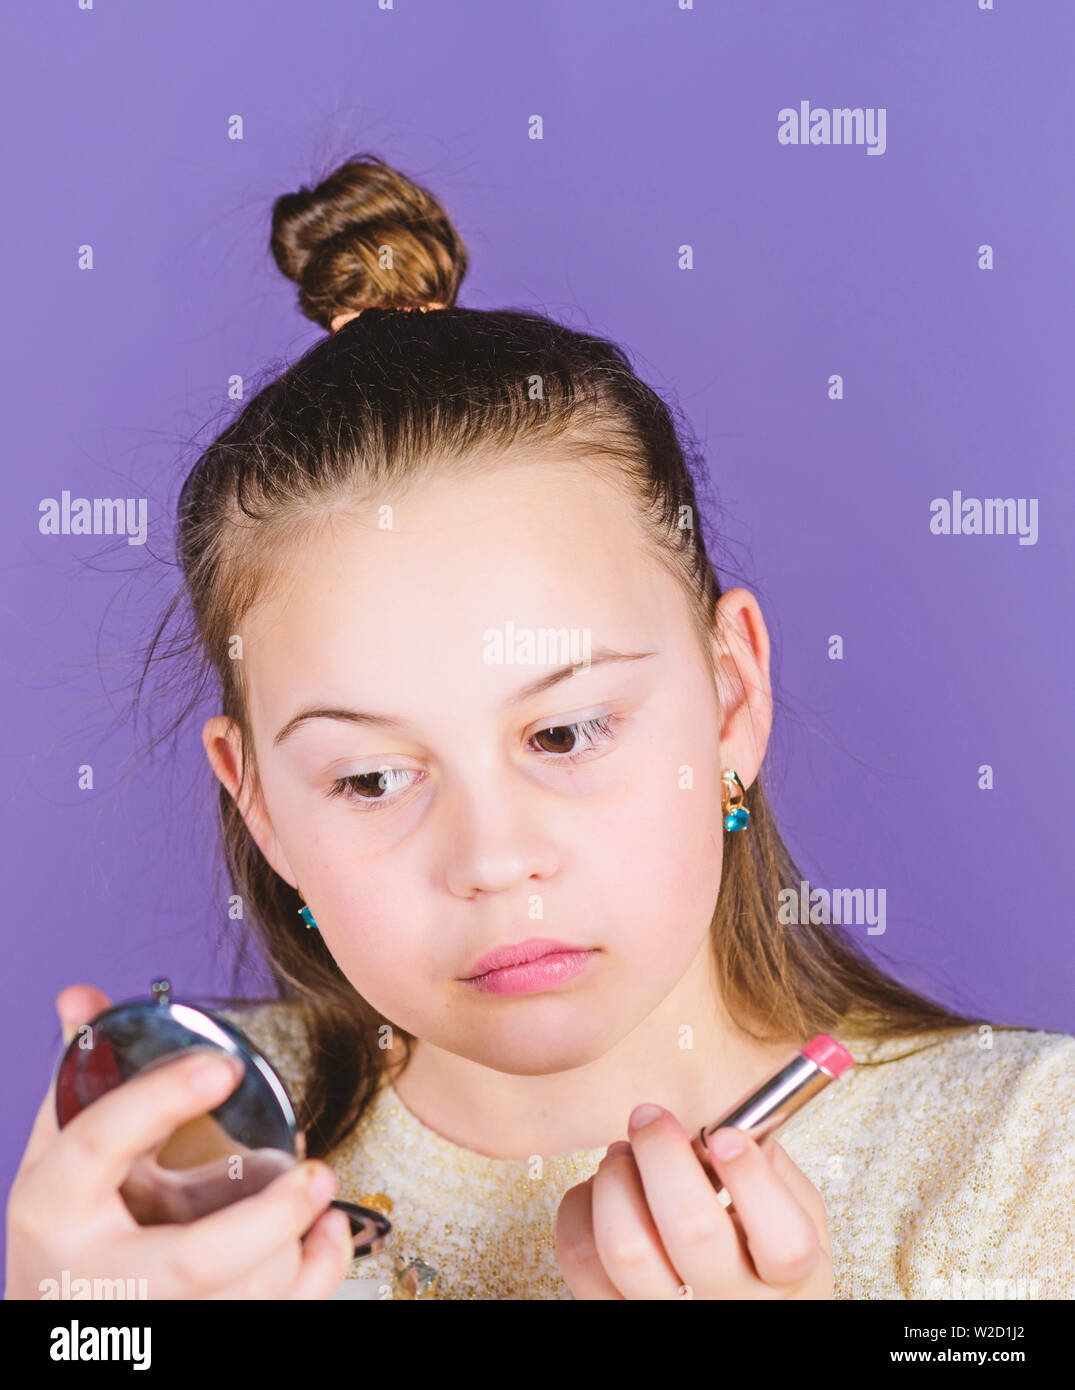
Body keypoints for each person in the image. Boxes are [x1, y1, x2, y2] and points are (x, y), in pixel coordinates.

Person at [7, 155, 1073, 1301]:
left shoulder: (1024, 1165)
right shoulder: (184, 1160)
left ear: (730, 696)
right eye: (371, 778)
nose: (493, 857)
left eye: (564, 735)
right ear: (258, 799)